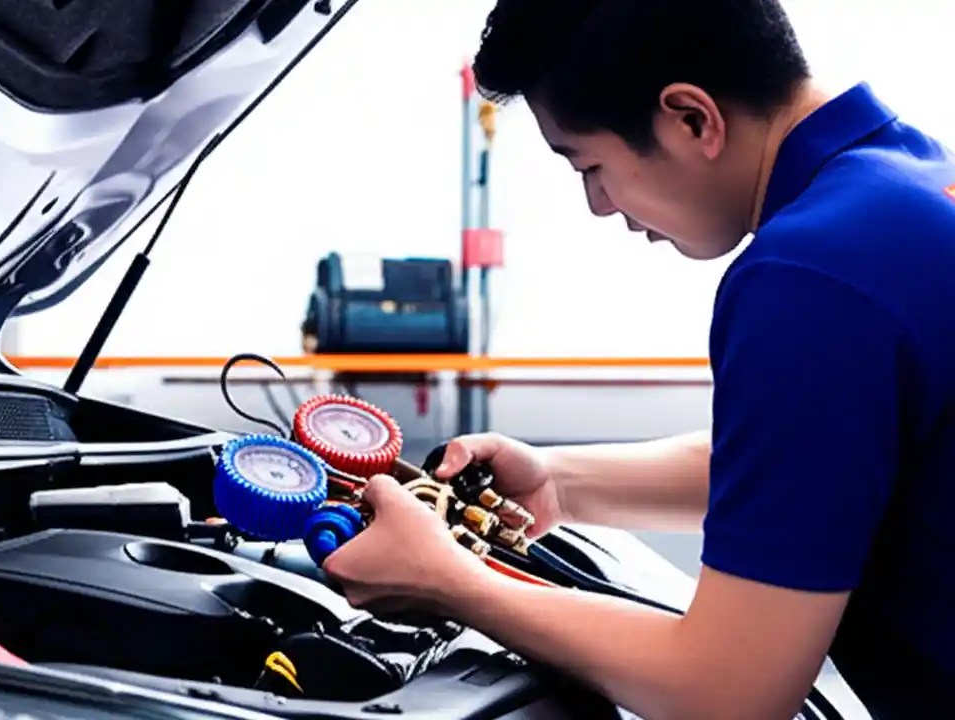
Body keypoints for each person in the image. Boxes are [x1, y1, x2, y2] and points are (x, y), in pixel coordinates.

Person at [321, 1, 955, 718]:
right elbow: (811, 470)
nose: (597, 205)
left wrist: (454, 584)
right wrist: (560, 481)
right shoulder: (910, 187)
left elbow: (728, 692)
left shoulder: (812, 275)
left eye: (588, 164)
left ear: (691, 118)